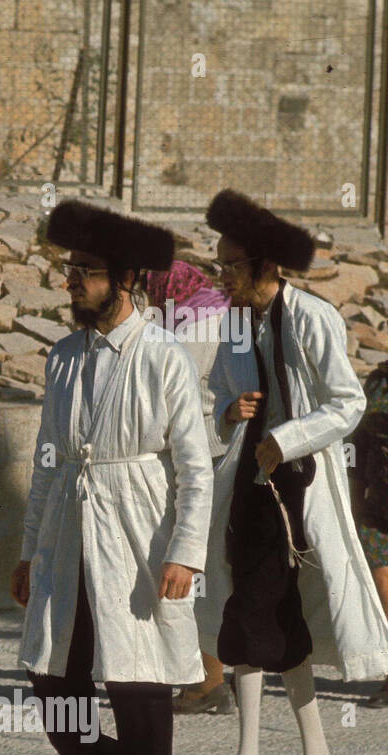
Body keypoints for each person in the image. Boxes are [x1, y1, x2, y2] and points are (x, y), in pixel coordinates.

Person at [12, 200, 212, 755]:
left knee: (138, 678)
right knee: (51, 673)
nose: (73, 280)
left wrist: (185, 551)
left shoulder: (164, 358)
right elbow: (48, 457)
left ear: (124, 279)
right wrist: (28, 548)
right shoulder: (64, 356)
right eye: (70, 269)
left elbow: (193, 466)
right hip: (70, 531)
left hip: (138, 534)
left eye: (88, 271)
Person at [198, 190, 388, 755]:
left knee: (259, 618)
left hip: (301, 486)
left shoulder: (313, 318)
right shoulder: (235, 324)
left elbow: (347, 403)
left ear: (263, 266)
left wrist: (285, 439)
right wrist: (230, 415)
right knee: (264, 619)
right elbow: (218, 398)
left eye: (229, 265)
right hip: (250, 490)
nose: (220, 276)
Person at [145, 262, 235, 715]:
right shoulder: (226, 315)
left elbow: (176, 404)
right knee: (217, 570)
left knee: (193, 570)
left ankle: (206, 681)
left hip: (199, 459)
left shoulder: (181, 332)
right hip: (232, 455)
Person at [347, 301, 388, 709]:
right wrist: (353, 496)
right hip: (382, 509)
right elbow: (359, 443)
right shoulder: (379, 383)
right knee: (387, 586)